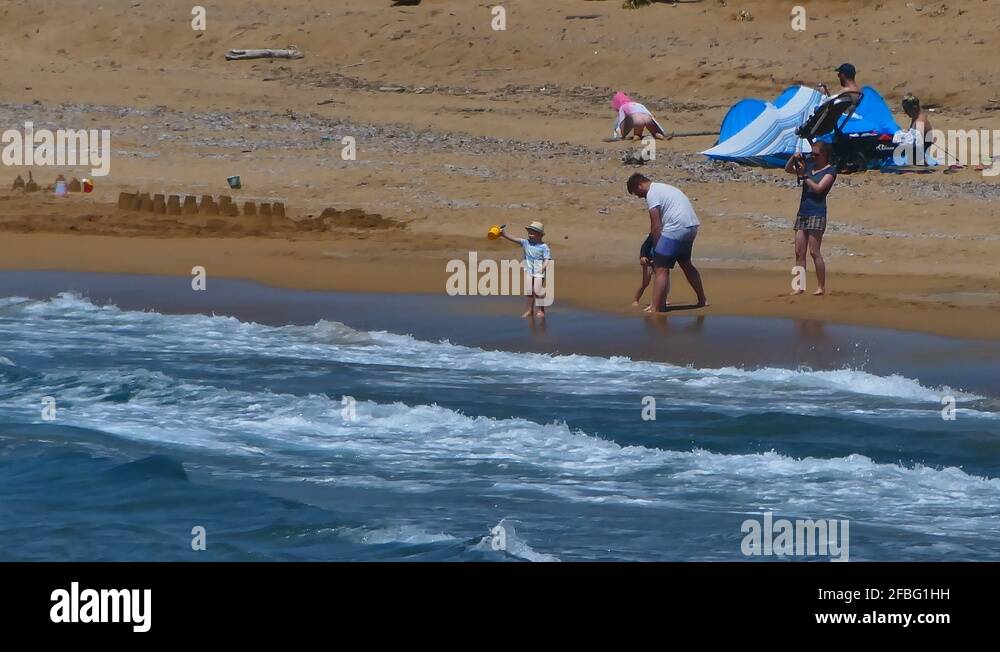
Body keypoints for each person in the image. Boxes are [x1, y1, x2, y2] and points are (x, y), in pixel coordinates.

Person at [626, 173, 708, 313]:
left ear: (639, 185)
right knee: (686, 264)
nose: (639, 197)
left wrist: (657, 248)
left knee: (661, 268)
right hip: (691, 227)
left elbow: (656, 225)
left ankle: (656, 307)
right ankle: (702, 300)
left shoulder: (652, 193)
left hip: (676, 228)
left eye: (637, 193)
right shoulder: (664, 188)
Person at [784, 141, 837, 296]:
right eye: (811, 154)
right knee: (799, 252)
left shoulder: (830, 171)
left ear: (824, 155)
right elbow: (788, 169)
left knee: (814, 251)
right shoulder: (809, 166)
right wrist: (793, 158)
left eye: (816, 154)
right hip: (803, 212)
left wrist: (804, 176)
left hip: (817, 212)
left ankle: (821, 286)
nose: (813, 157)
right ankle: (799, 286)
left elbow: (819, 189)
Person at [499, 221, 552, 319]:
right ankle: (529, 310)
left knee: (537, 290)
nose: (530, 234)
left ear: (540, 234)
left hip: (539, 271)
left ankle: (541, 309)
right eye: (529, 232)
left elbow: (547, 259)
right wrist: (503, 234)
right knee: (529, 292)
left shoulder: (544, 247)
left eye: (532, 233)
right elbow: (514, 239)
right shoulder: (526, 242)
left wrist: (543, 268)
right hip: (528, 270)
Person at [901, 93, 936, 164]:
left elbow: (917, 145)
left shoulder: (919, 122)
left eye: (907, 110)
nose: (905, 113)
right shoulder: (916, 117)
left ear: (914, 108)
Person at [632, 234, 658, 310]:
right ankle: (636, 299)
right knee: (645, 283)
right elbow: (644, 246)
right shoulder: (653, 235)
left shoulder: (668, 234)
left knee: (661, 282)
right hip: (648, 261)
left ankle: (661, 299)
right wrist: (642, 256)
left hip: (659, 262)